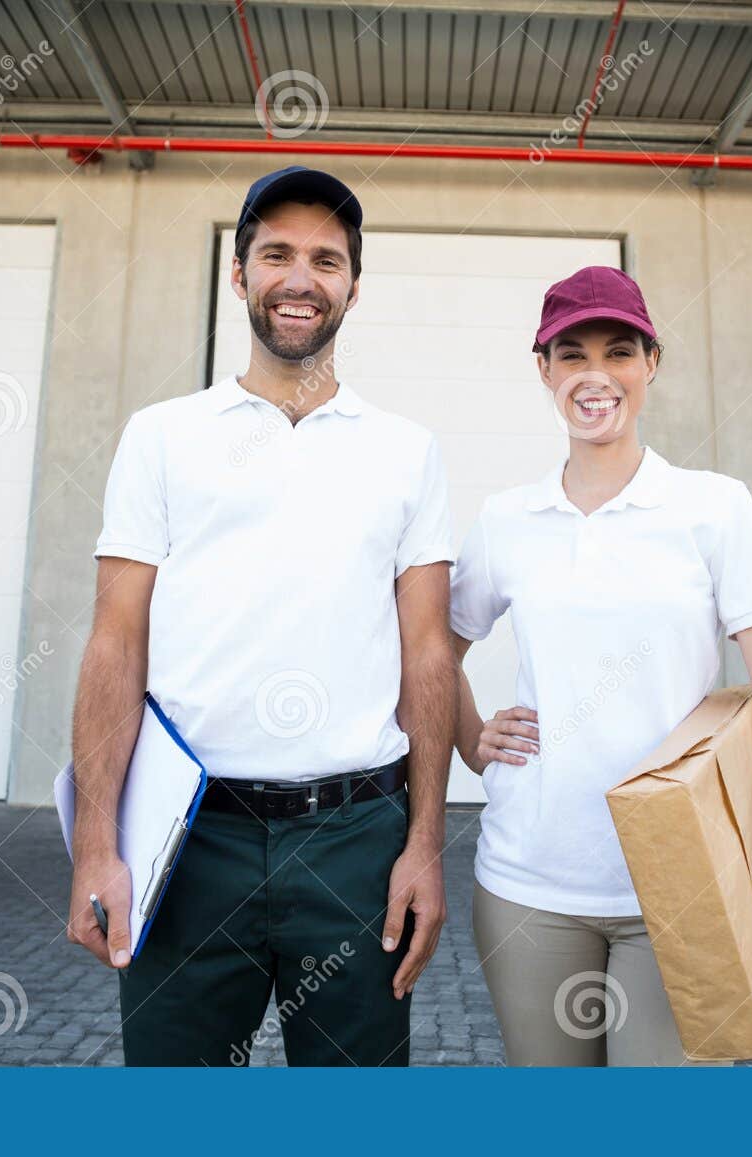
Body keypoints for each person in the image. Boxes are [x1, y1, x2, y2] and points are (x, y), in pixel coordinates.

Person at [67, 166, 456, 1067]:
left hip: (357, 841)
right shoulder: (161, 436)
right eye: (275, 253)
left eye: (327, 259)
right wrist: (96, 846)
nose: (300, 277)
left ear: (353, 286)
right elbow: (115, 640)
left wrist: (425, 848)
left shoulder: (407, 451)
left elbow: (429, 656)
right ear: (238, 274)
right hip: (192, 840)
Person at [449, 266, 752, 1066]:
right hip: (528, 884)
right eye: (572, 354)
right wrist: (470, 736)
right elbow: (433, 650)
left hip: (683, 886)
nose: (596, 375)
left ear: (651, 362)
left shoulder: (713, 509)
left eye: (619, 351)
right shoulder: (507, 521)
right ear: (544, 370)